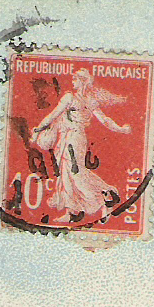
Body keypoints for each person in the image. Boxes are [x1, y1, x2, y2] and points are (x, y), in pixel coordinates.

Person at [31, 68, 132, 223]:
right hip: (73, 138)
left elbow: (53, 115)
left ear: (83, 81)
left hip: (72, 139)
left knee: (76, 174)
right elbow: (105, 120)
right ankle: (73, 211)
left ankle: (106, 195)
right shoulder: (88, 100)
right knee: (67, 173)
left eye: (75, 79)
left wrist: (38, 130)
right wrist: (121, 129)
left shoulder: (71, 98)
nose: (73, 82)